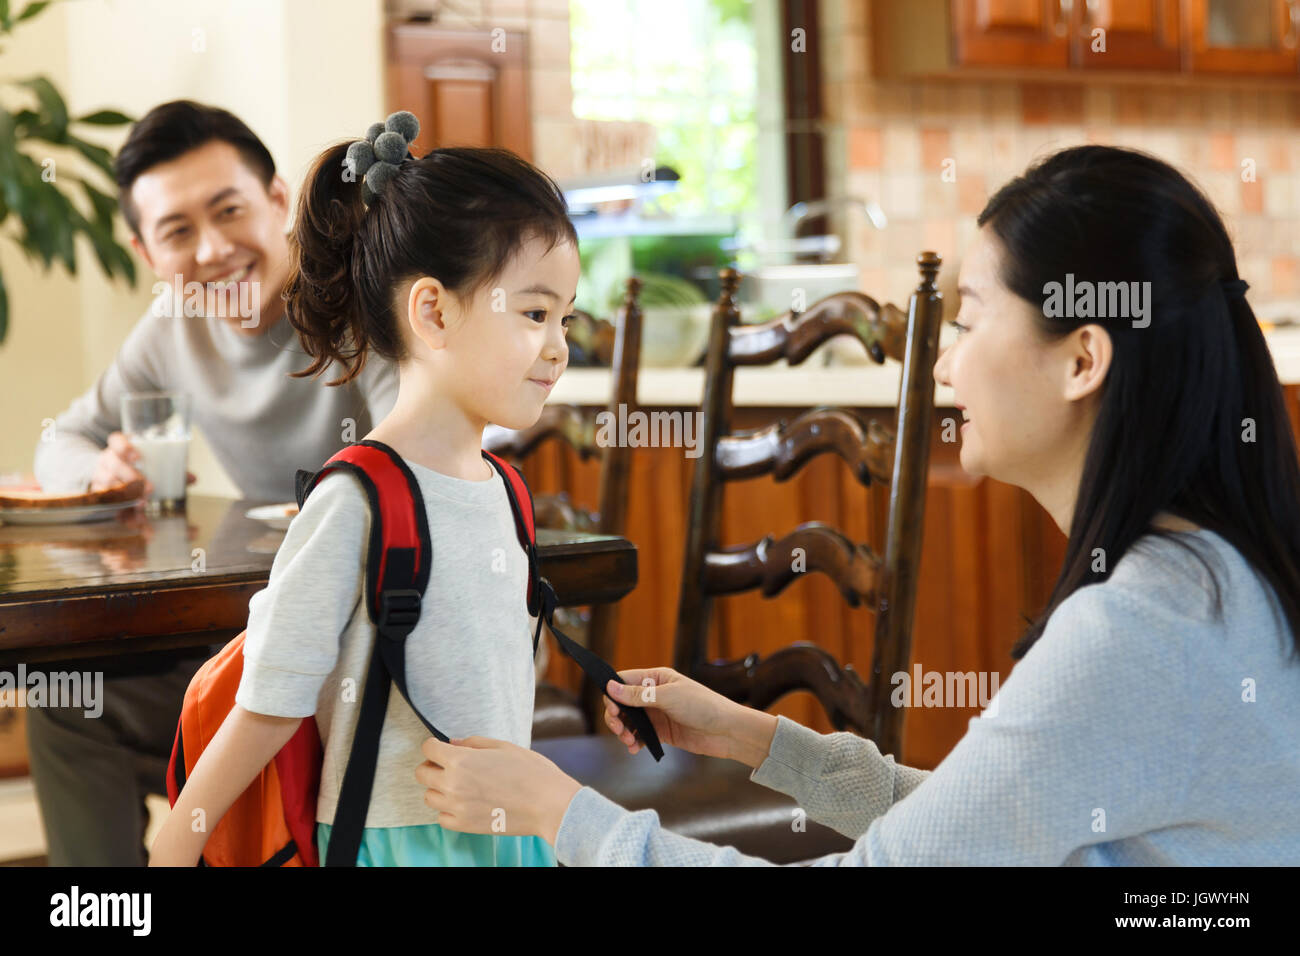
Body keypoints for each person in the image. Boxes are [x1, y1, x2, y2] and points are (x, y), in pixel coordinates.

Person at [415, 145, 1300, 865]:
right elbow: (975, 827)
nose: (945, 365)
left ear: (1081, 359)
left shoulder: (1135, 631)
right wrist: (763, 742)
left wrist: (561, 811)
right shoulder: (1208, 578)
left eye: (970, 319)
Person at [148, 117, 578, 867]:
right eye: (536, 314)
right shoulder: (356, 501)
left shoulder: (506, 489)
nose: (559, 347)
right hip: (394, 848)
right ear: (434, 312)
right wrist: (174, 850)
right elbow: (269, 699)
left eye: (566, 318)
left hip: (511, 838)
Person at [26, 100, 399, 866]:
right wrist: (103, 468)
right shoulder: (171, 328)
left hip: (372, 655)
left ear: (275, 198)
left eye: (229, 210)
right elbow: (61, 436)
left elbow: (423, 464)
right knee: (69, 704)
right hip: (256, 637)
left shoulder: (363, 293)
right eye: (177, 232)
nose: (214, 249)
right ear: (144, 250)